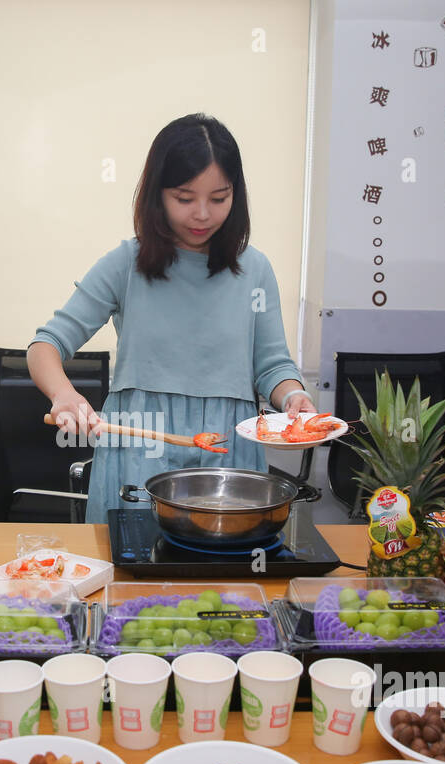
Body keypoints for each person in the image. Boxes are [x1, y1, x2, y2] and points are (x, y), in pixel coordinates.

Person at [27, 113, 317, 523]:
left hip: (227, 450)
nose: (202, 214)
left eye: (219, 198)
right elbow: (46, 345)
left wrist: (292, 398)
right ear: (157, 195)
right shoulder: (126, 264)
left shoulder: (254, 270)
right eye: (184, 198)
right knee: (133, 557)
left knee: (225, 560)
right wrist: (64, 395)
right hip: (138, 447)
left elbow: (272, 366)